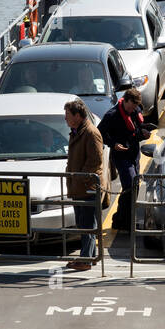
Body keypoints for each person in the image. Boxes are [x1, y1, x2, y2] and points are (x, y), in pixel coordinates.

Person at [98, 87, 154, 232]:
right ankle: (125, 221)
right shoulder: (112, 115)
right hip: (121, 157)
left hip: (134, 154)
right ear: (126, 101)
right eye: (132, 106)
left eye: (136, 106)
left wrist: (145, 133)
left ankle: (120, 220)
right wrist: (113, 144)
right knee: (129, 185)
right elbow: (100, 134)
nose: (133, 109)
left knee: (133, 186)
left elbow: (137, 131)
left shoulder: (135, 111)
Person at [63, 99, 104, 271]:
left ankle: (86, 259)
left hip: (87, 187)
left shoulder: (90, 133)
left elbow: (95, 161)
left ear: (78, 116)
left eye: (67, 115)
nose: (65, 118)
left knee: (87, 224)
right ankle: (88, 257)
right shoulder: (77, 131)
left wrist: (79, 178)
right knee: (84, 223)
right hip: (79, 186)